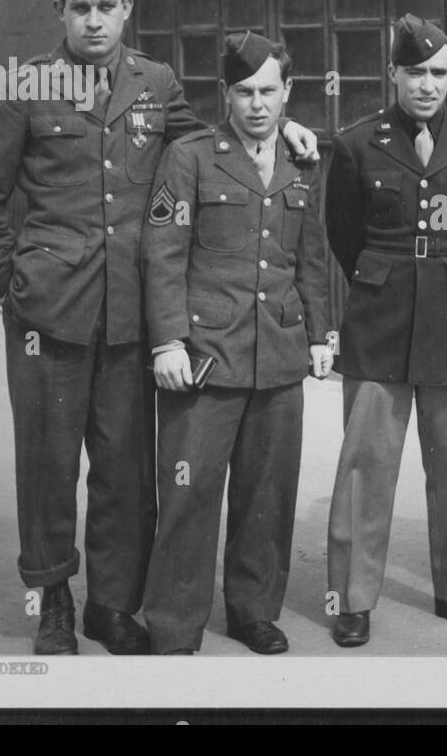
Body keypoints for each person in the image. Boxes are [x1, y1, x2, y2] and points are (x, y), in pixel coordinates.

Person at [0, 0, 317, 656]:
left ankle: (113, 603)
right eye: (79, 7)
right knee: (48, 464)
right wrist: (16, 283)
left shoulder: (155, 81)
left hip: (128, 313)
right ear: (60, 12)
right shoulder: (25, 86)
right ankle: (54, 599)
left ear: (128, 10)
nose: (94, 20)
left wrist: (292, 129)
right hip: (48, 315)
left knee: (125, 468)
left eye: (106, 6)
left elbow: (211, 145)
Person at [139, 32, 331, 656]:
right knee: (190, 493)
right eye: (243, 92)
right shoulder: (191, 156)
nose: (255, 104)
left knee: (268, 494)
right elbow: (163, 255)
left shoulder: (304, 159)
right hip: (206, 357)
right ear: (224, 94)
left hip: (279, 353)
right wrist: (167, 342)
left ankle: (254, 611)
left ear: (288, 94)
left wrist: (322, 334)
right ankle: (173, 623)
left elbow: (313, 255)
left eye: (268, 91)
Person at [324, 13, 447, 648]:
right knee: (366, 465)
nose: (428, 85)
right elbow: (344, 237)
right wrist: (392, 277)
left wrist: (442, 275)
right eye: (416, 73)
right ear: (393, 75)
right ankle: (352, 597)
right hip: (379, 323)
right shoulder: (355, 144)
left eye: (439, 73)